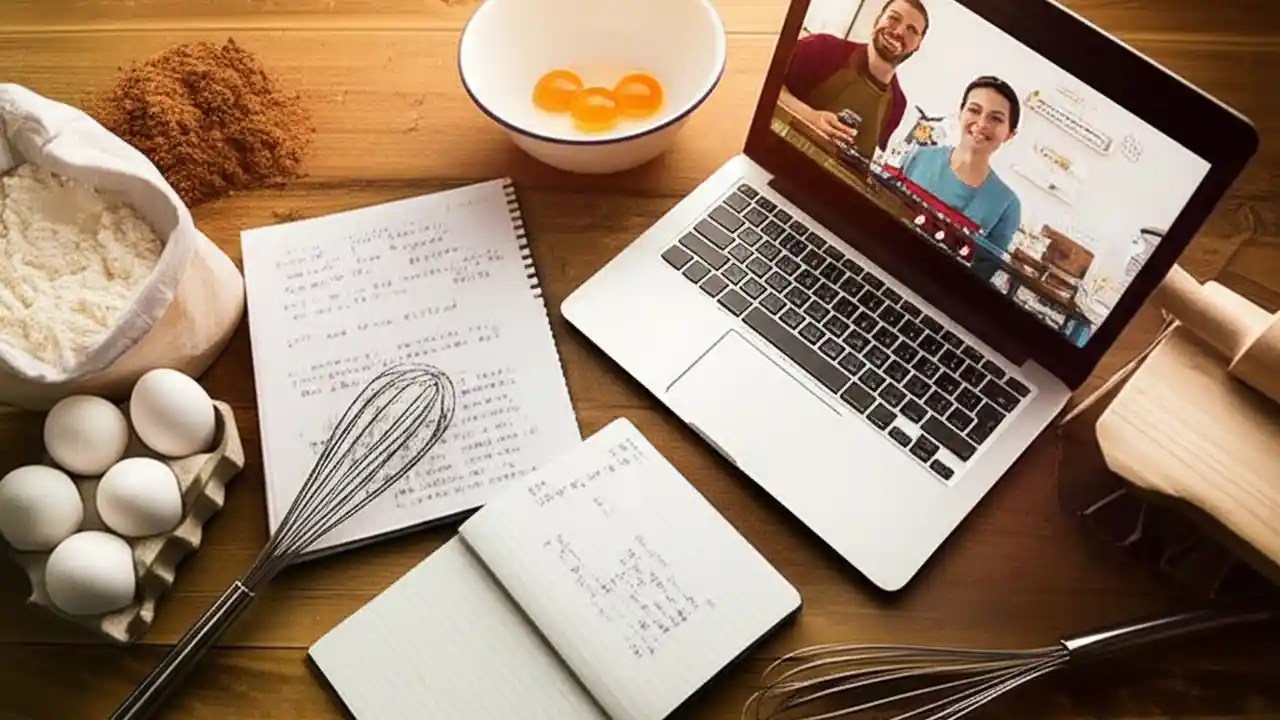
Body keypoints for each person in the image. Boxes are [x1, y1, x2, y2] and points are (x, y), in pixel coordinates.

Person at [900, 76, 1022, 282]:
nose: (982, 123)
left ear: (1010, 134)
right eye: (974, 110)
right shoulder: (917, 155)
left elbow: (978, 279)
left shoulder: (1007, 206)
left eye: (996, 119)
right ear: (960, 112)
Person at [780, 0, 929, 160]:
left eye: (911, 30)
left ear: (918, 45)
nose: (899, 32)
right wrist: (809, 116)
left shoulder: (897, 105)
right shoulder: (822, 47)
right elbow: (766, 80)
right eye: (894, 18)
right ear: (877, 20)